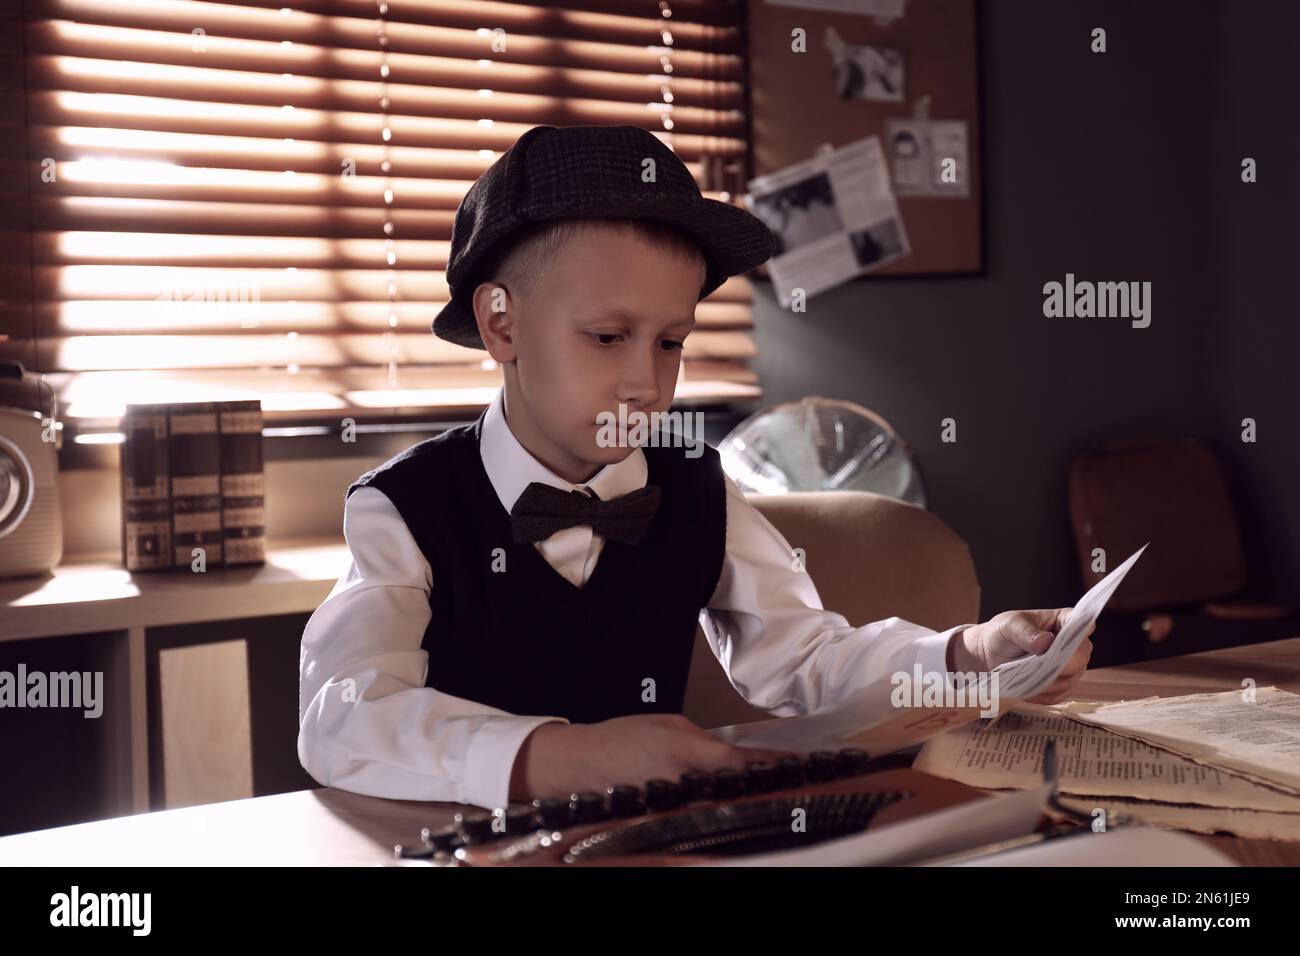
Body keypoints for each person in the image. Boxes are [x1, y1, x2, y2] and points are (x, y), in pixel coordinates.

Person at [297, 125, 1093, 811]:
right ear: (501, 325)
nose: (647, 382)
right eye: (608, 336)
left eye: (671, 341)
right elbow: (341, 715)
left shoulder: (697, 487)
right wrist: (562, 758)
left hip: (656, 842)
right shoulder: (404, 508)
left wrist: (967, 654)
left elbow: (807, 657)